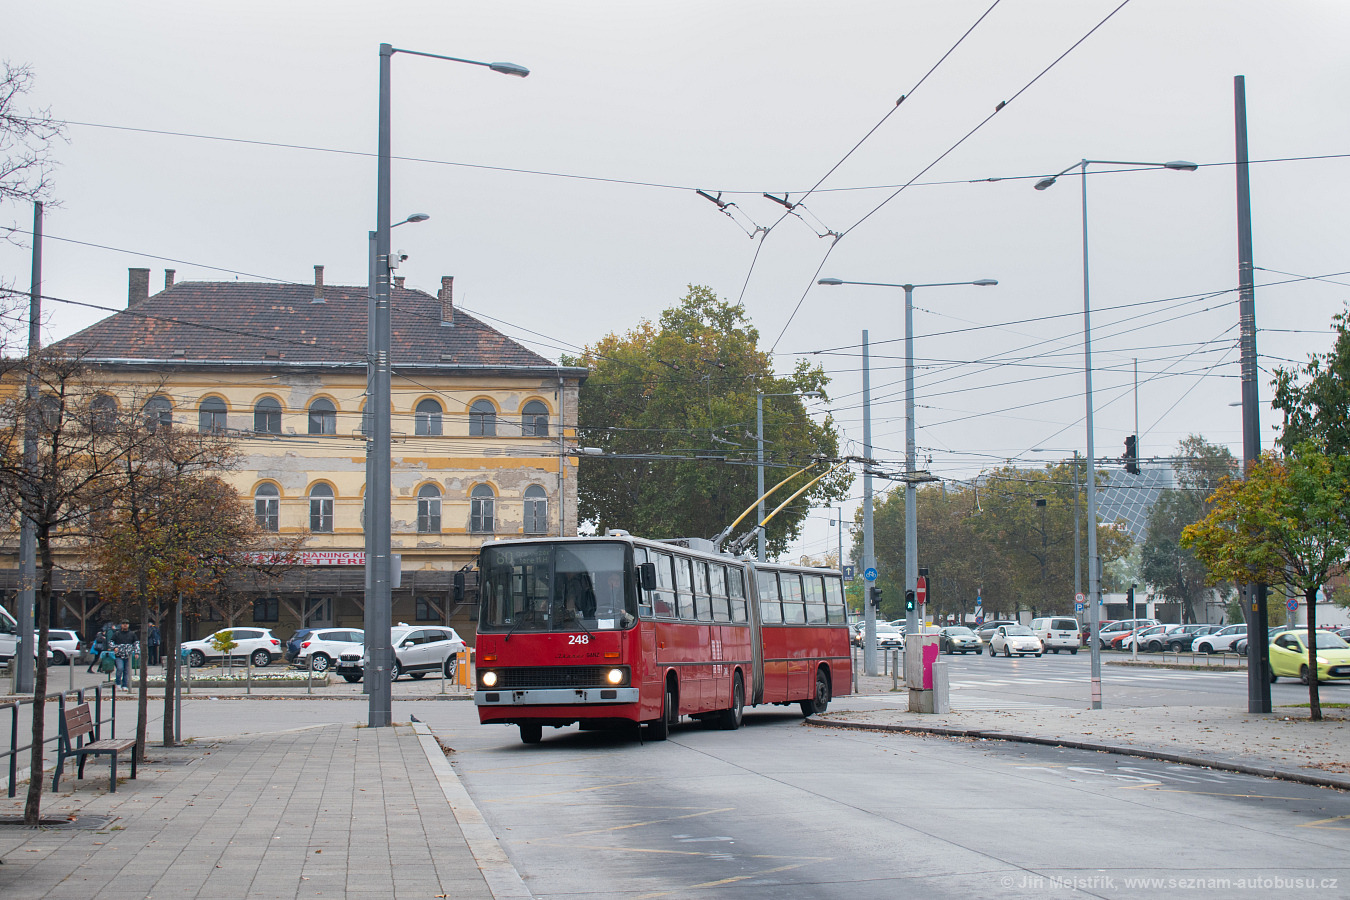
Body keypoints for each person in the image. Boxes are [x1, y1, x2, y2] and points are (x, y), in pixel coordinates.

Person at [112, 620, 136, 690]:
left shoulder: (132, 634)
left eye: (126, 623)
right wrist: (114, 647)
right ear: (121, 625)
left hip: (128, 655)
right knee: (120, 668)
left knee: (126, 671)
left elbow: (136, 643)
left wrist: (136, 652)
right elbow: (111, 642)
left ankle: (124, 685)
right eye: (123, 623)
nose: (125, 625)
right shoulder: (117, 634)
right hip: (119, 655)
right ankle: (118, 683)